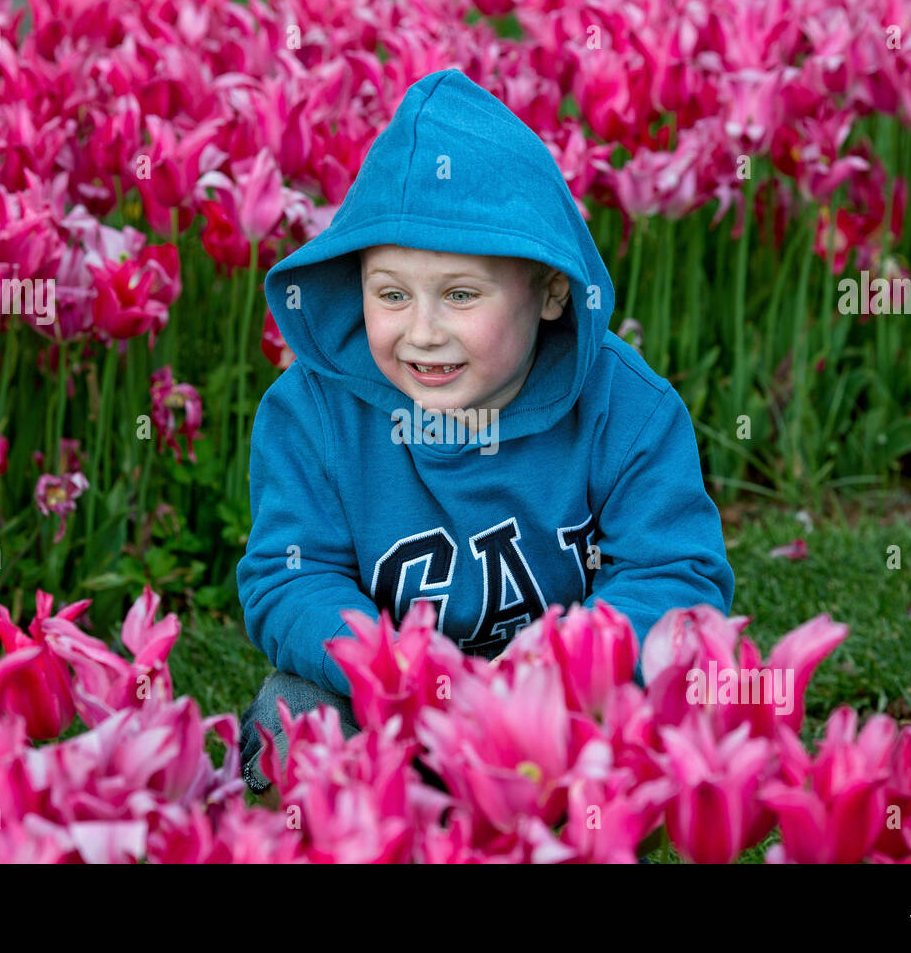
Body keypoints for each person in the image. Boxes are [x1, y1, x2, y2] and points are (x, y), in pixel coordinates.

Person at [235, 68, 735, 805]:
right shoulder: (311, 412)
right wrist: (386, 662)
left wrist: (556, 667)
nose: (423, 331)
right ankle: (373, 831)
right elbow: (288, 576)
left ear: (553, 289)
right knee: (300, 715)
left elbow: (679, 579)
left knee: (684, 692)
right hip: (385, 705)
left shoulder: (627, 409)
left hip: (561, 711)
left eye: (462, 295)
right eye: (391, 294)